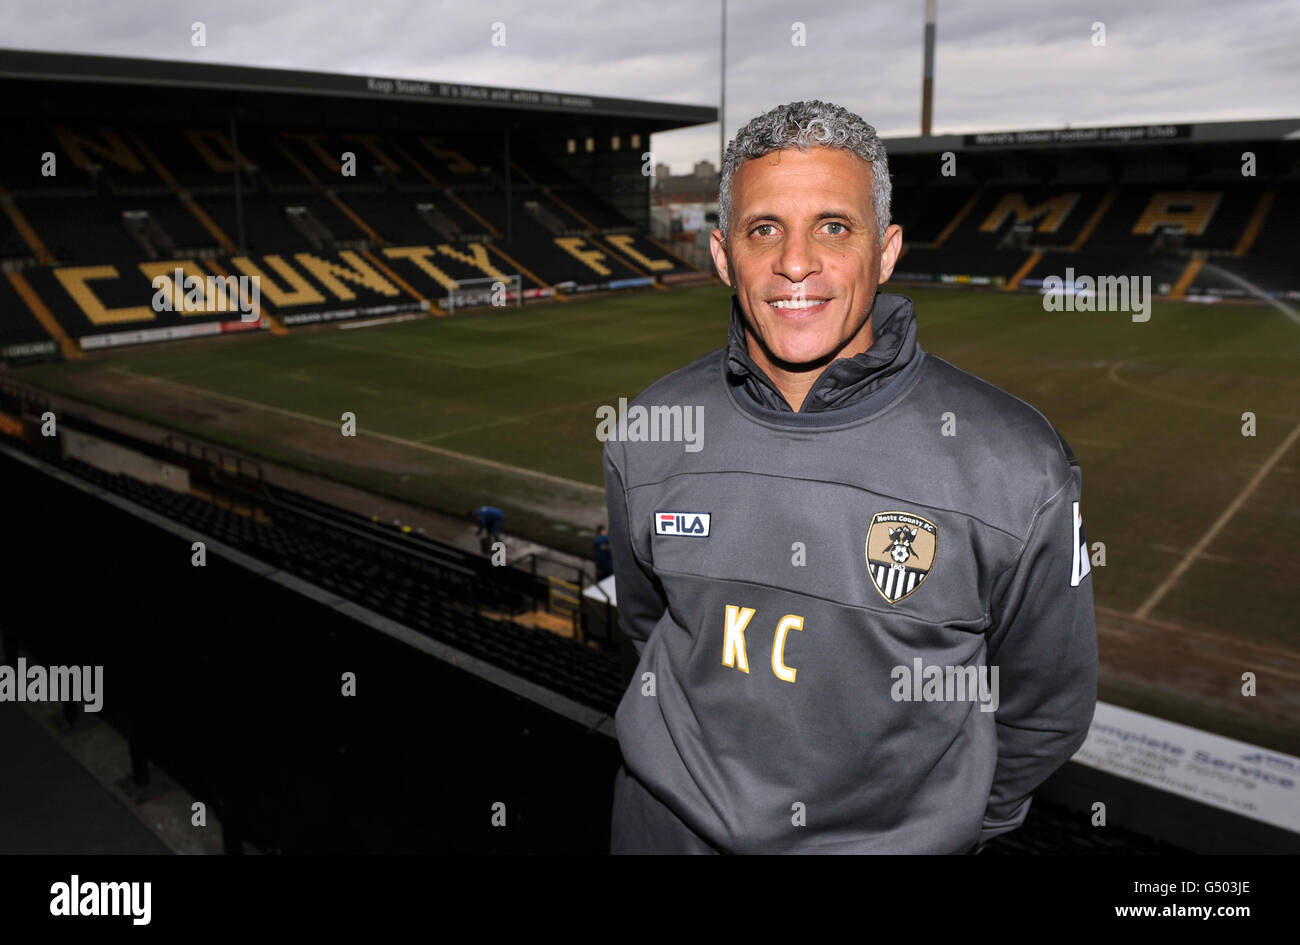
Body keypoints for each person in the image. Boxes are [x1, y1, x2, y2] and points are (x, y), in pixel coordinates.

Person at [601, 100, 1098, 854]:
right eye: (764, 228)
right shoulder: (650, 428)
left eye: (834, 226)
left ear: (887, 249)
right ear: (722, 255)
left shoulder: (1016, 461)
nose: (796, 262)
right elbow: (646, 626)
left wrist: (949, 829)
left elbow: (1045, 704)